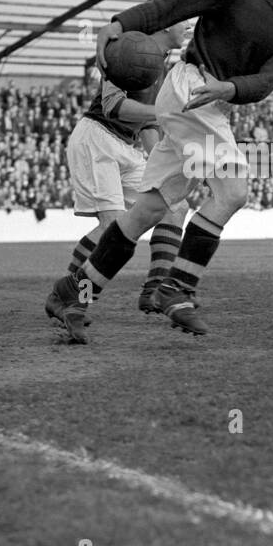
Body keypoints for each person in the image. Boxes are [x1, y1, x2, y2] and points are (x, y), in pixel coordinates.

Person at [44, 0, 273, 341]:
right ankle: (178, 288)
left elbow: (266, 81)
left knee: (147, 211)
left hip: (213, 103)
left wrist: (229, 89)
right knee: (233, 191)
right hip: (190, 89)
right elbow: (172, 7)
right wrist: (119, 23)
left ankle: (74, 291)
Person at [55, 19, 194, 331]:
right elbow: (113, 106)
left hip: (127, 146)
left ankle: (155, 290)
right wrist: (165, 114)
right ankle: (73, 296)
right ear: (164, 27)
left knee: (174, 205)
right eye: (183, 22)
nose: (188, 26)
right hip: (98, 137)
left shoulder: (164, 64)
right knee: (112, 228)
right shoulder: (128, 48)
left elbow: (146, 124)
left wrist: (162, 165)